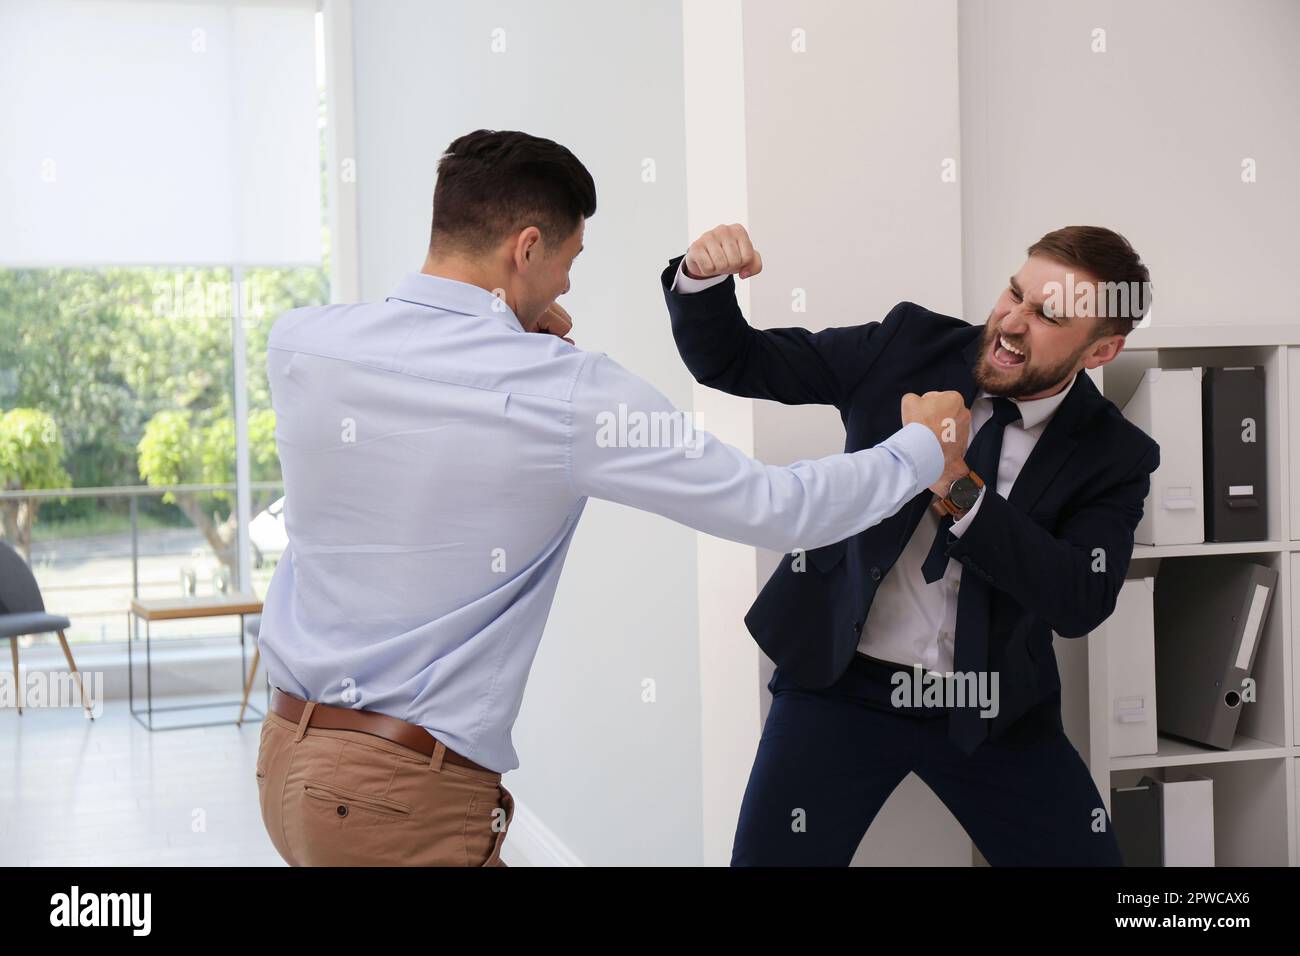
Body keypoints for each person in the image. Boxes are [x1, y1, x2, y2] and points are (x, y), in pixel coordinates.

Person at [253, 129, 969, 866]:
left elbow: (420, 445)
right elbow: (777, 507)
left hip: (284, 759)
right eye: (569, 261)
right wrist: (922, 448)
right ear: (526, 248)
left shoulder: (301, 343)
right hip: (396, 794)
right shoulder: (566, 392)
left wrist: (512, 332)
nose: (566, 285)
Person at [661, 222, 1159, 866]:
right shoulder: (908, 345)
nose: (1011, 322)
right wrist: (702, 279)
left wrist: (954, 480)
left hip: (994, 706)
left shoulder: (1115, 454)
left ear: (1099, 351)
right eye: (1014, 294)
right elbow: (736, 360)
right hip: (842, 686)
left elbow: (1080, 598)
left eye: (1047, 316)